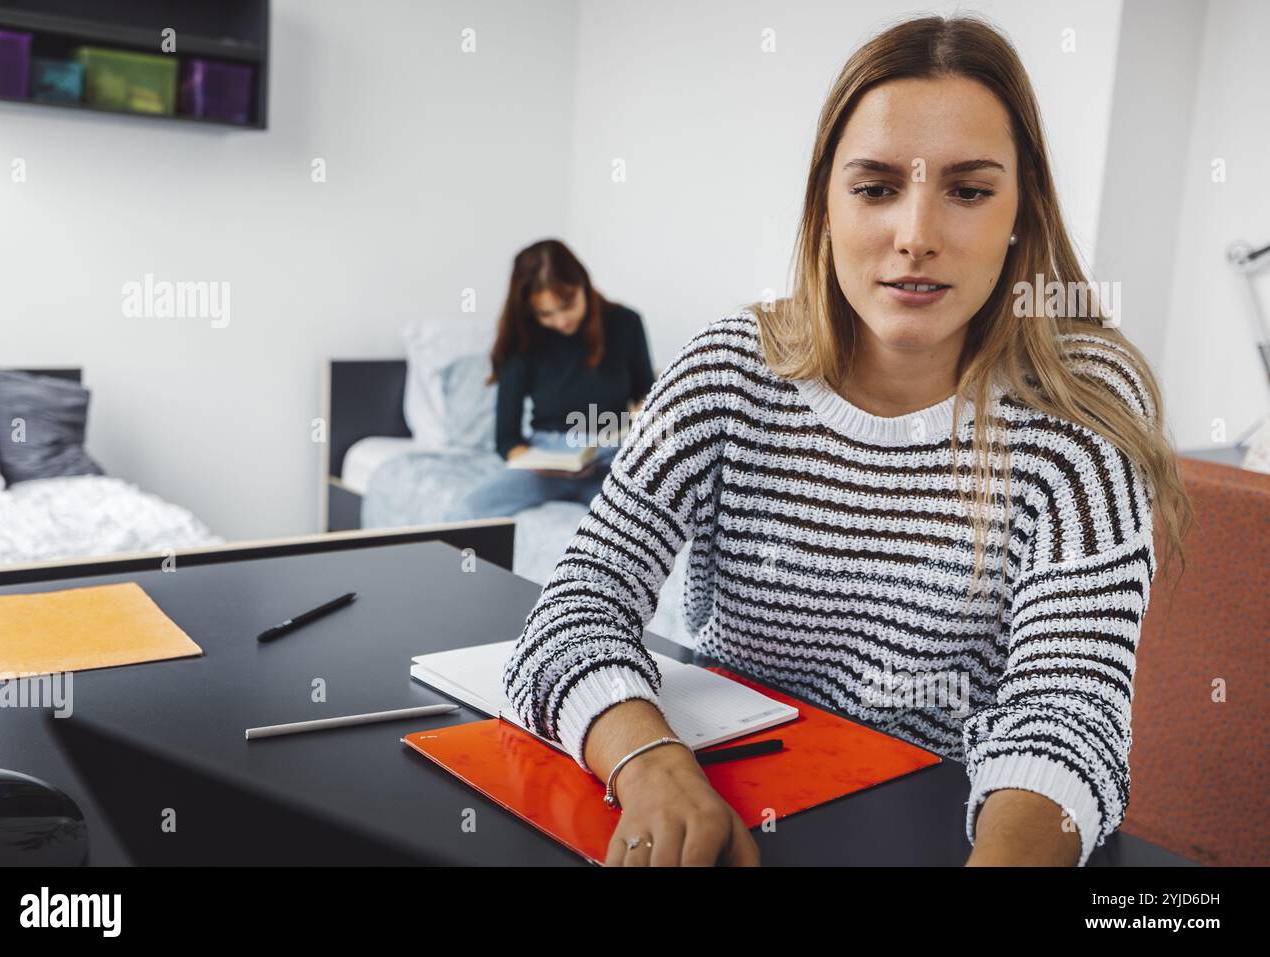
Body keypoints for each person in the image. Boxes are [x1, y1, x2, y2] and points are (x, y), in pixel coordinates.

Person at [501, 13, 1193, 867]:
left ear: (1023, 210)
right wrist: (650, 765)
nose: (915, 235)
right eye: (874, 188)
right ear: (824, 206)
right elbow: (572, 611)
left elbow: (1068, 715)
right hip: (734, 816)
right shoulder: (729, 366)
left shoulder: (1082, 403)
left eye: (969, 190)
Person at [442, 239, 655, 521]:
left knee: (638, 521)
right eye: (546, 314)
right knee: (463, 514)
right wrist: (536, 461)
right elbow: (507, 440)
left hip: (608, 457)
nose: (560, 320)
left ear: (584, 285)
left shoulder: (625, 323)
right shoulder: (521, 340)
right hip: (546, 459)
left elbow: (646, 393)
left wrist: (644, 412)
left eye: (567, 305)